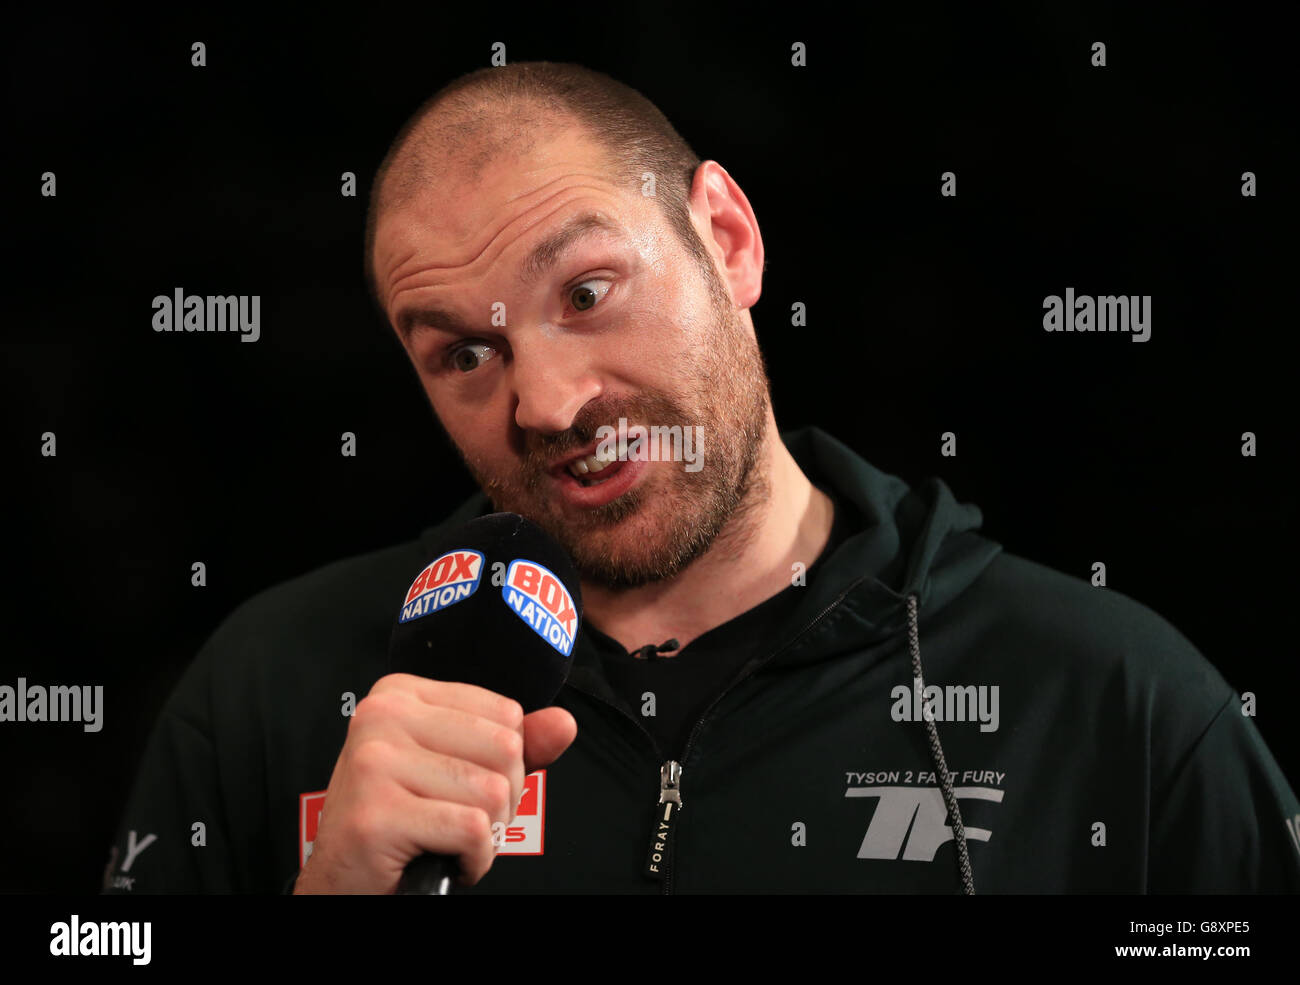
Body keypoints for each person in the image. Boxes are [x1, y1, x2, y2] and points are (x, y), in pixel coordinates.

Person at [104, 61, 1300, 894]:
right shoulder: (272, 689)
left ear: (726, 239)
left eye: (585, 292)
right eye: (465, 353)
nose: (548, 402)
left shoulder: (1104, 699)